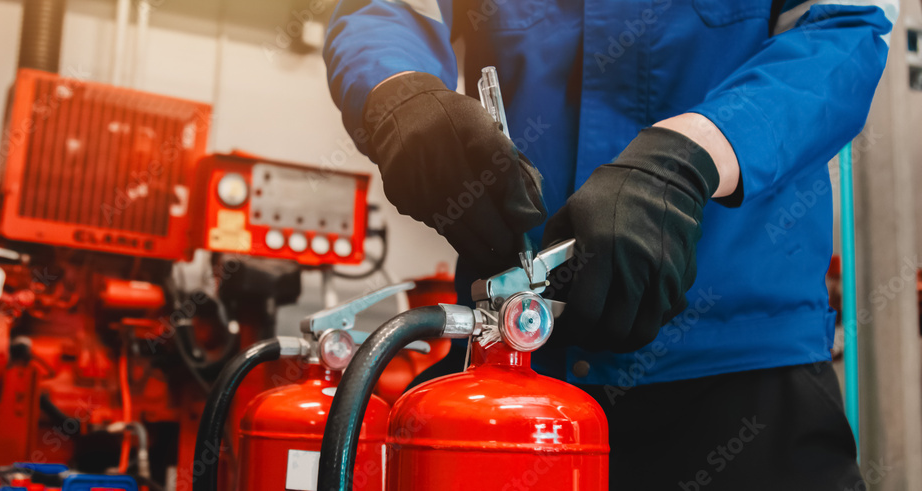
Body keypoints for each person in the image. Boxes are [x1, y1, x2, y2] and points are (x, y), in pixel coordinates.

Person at [323, 0, 897, 489]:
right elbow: (387, 8)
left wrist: (691, 156)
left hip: (741, 380)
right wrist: (400, 94)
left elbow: (843, 29)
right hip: (501, 379)